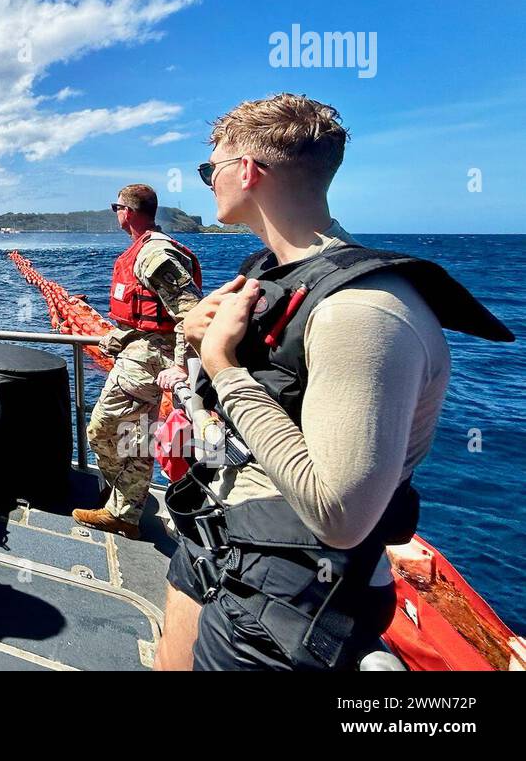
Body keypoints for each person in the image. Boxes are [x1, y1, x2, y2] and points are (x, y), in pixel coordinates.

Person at [154, 94, 512, 671]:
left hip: (286, 590)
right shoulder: (263, 275)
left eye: (209, 170)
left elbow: (339, 516)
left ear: (246, 170)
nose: (206, 183)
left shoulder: (363, 311)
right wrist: (198, 350)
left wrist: (223, 365)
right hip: (218, 533)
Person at [72, 184, 202, 540]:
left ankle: (120, 503)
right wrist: (122, 336)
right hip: (145, 354)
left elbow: (190, 314)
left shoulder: (153, 256)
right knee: (135, 435)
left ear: (126, 212)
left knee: (101, 430)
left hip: (151, 364)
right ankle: (124, 512)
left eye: (117, 207)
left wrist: (179, 366)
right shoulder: (145, 251)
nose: (116, 213)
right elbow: (152, 317)